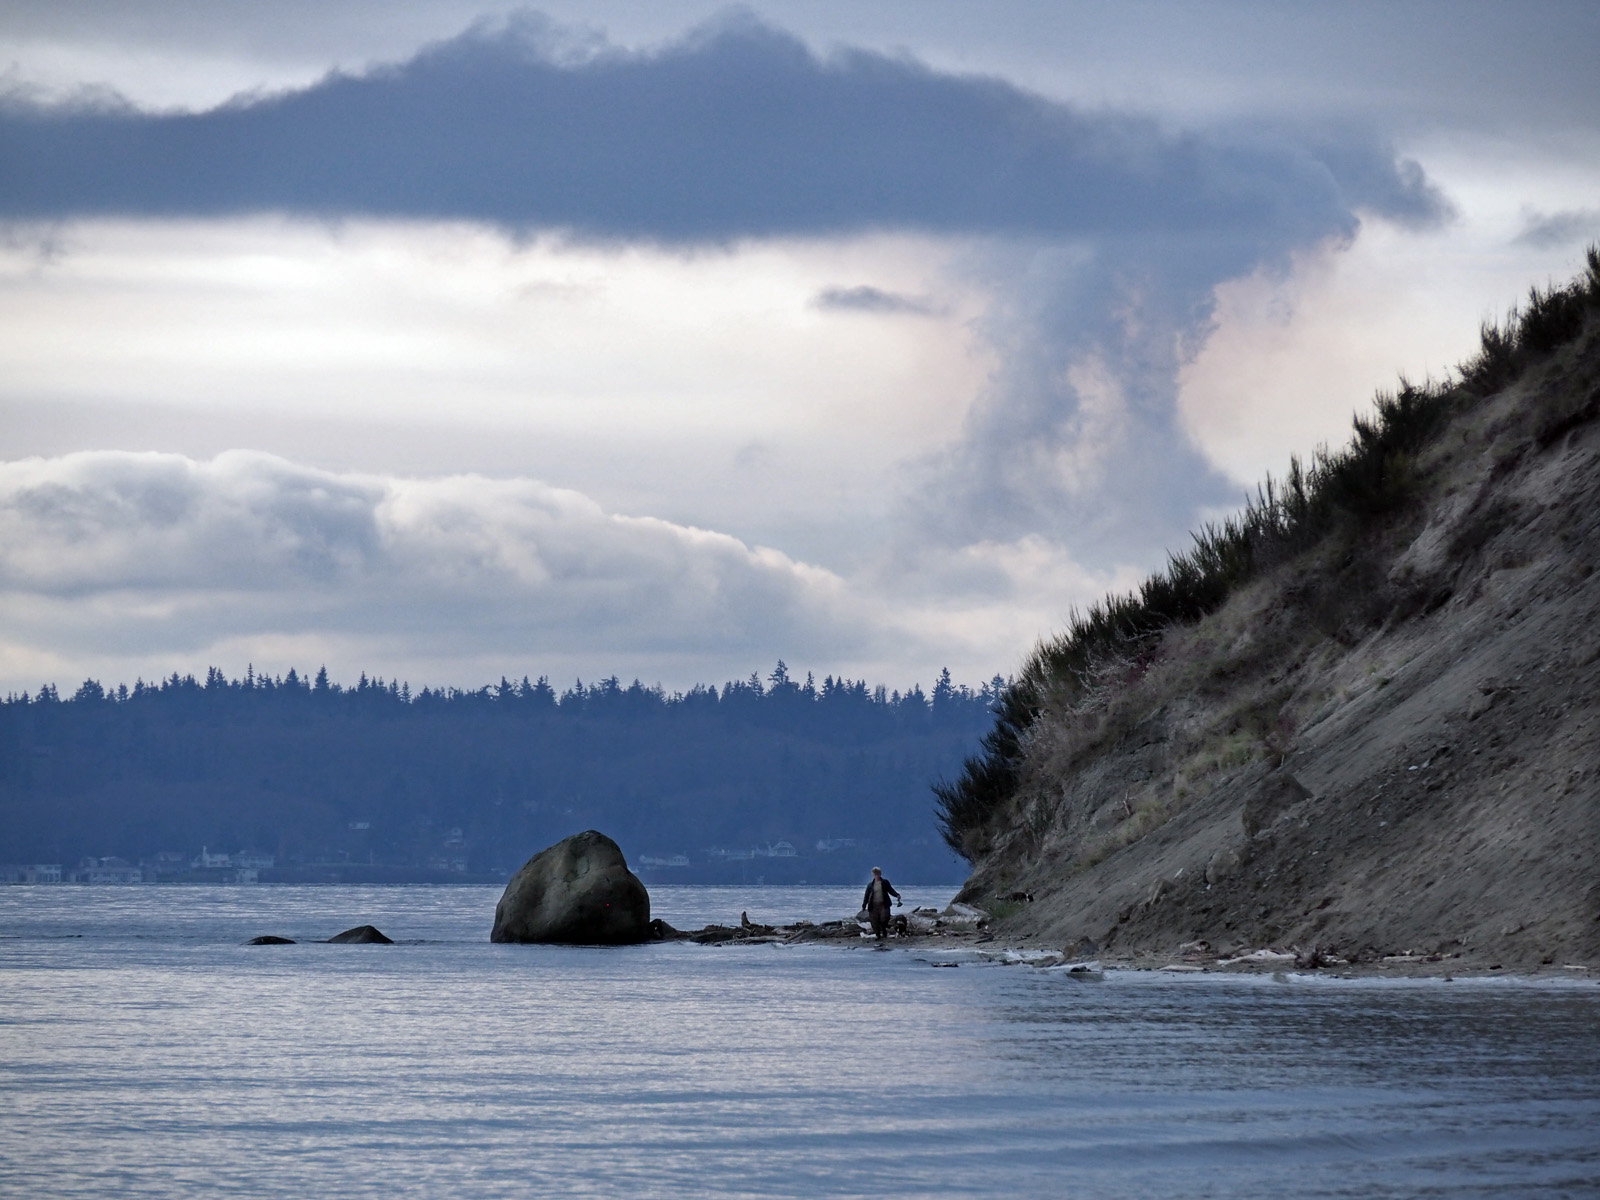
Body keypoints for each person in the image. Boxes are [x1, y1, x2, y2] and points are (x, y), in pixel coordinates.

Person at [862, 866, 902, 938]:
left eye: (878, 874)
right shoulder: (870, 885)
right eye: (875, 874)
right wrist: (864, 906)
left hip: (884, 905)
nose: (877, 875)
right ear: (873, 875)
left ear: (880, 874)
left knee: (885, 919)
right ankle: (878, 935)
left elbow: (890, 890)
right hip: (873, 906)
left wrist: (897, 895)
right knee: (874, 921)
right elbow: (866, 896)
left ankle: (884, 930)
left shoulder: (885, 882)